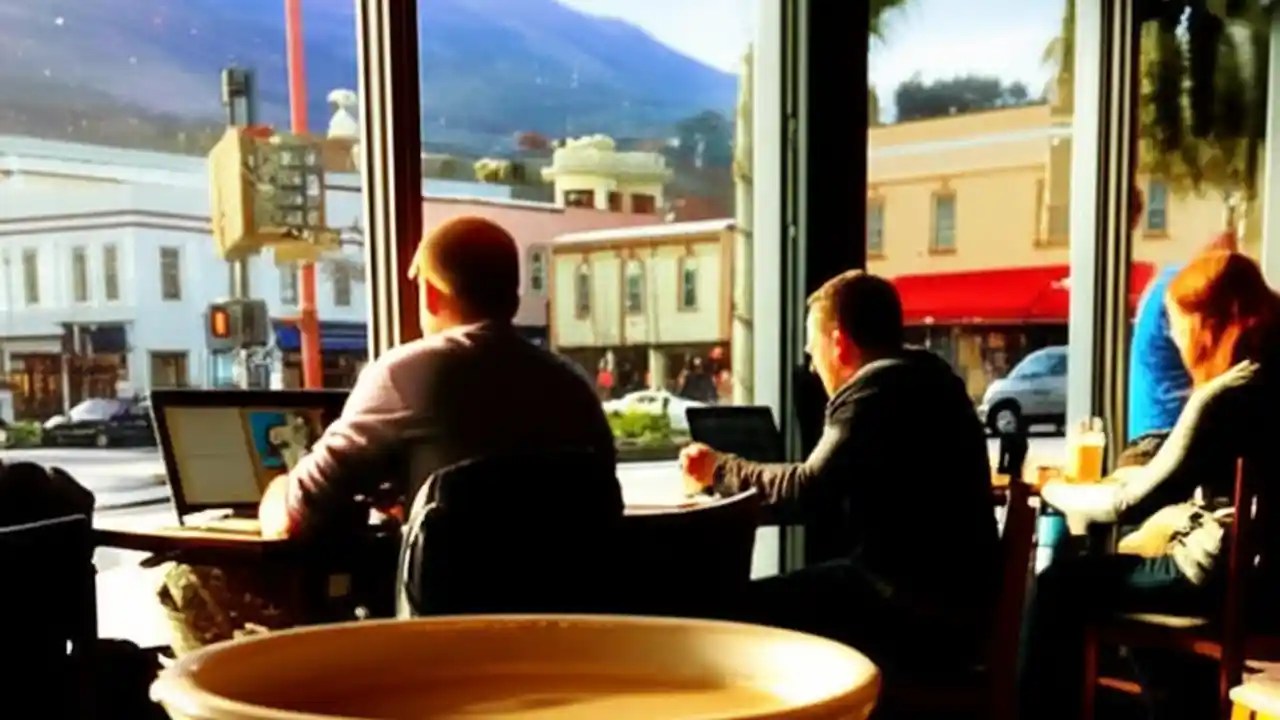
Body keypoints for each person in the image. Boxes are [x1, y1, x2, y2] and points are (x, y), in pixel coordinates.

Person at [680, 269, 999, 671]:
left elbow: (807, 490)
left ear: (838, 343)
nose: (813, 369)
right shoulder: (931, 379)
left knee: (733, 619)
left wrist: (718, 469)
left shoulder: (876, 391)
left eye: (812, 352)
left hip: (916, 614)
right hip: (957, 604)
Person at [1023, 250, 1280, 720]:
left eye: (1181, 327)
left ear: (1211, 325)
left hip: (1222, 584)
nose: (1179, 343)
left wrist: (1053, 488)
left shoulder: (1228, 395)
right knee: (1141, 556)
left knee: (1061, 584)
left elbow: (1128, 501)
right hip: (1271, 590)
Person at [258, 216, 617, 538]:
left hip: (450, 613)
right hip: (567, 608)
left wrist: (279, 489)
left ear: (430, 294)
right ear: (514, 298)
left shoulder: (404, 373)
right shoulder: (573, 386)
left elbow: (293, 518)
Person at [1128, 228, 1238, 442]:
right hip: (1167, 432)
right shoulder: (1185, 294)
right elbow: (1212, 364)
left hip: (1151, 426)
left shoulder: (1168, 282)